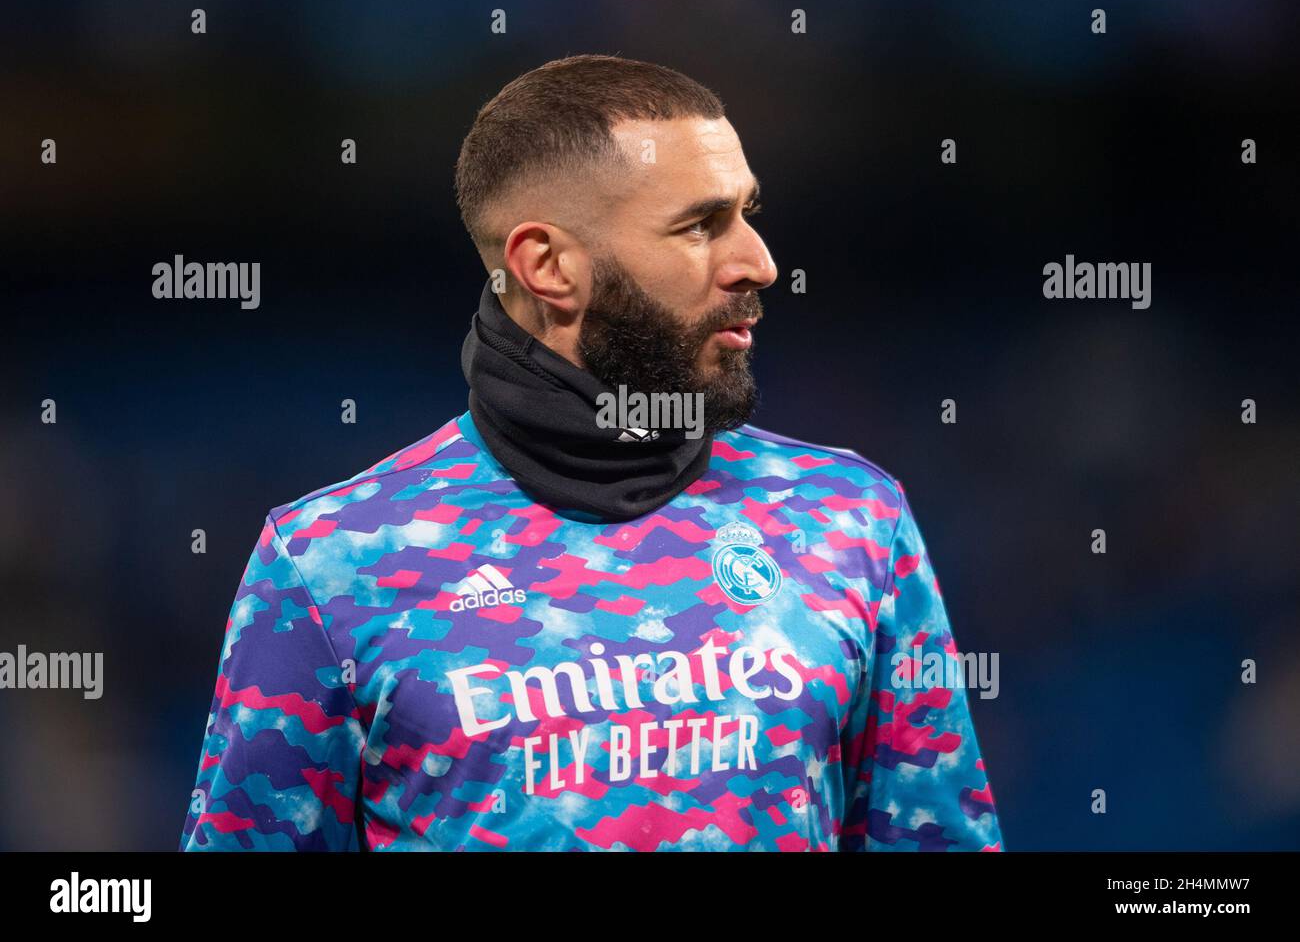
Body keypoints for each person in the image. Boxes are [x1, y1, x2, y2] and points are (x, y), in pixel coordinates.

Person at [180, 54, 1003, 852]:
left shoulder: (851, 518)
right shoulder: (330, 563)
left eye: (749, 212)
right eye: (700, 225)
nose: (760, 262)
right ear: (548, 266)